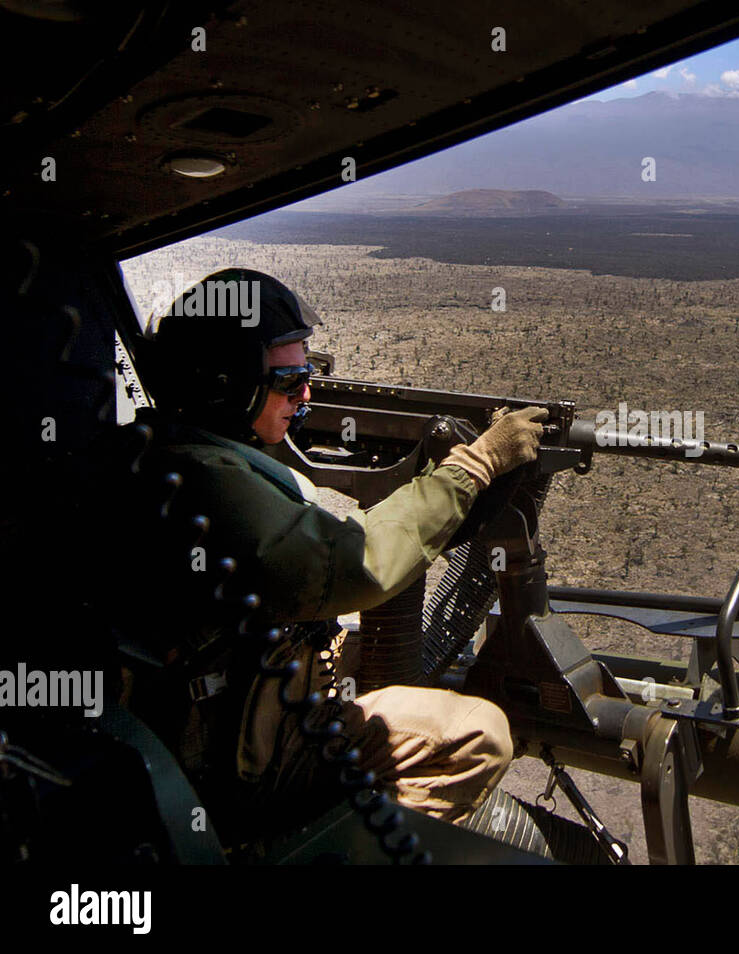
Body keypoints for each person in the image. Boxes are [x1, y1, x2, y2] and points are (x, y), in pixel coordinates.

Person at [126, 267, 546, 838]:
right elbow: (350, 564)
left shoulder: (166, 448)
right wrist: (472, 467)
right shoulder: (203, 481)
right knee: (477, 734)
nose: (305, 394)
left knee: (378, 660)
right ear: (223, 385)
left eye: (310, 373)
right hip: (233, 757)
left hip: (233, 696)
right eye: (288, 380)